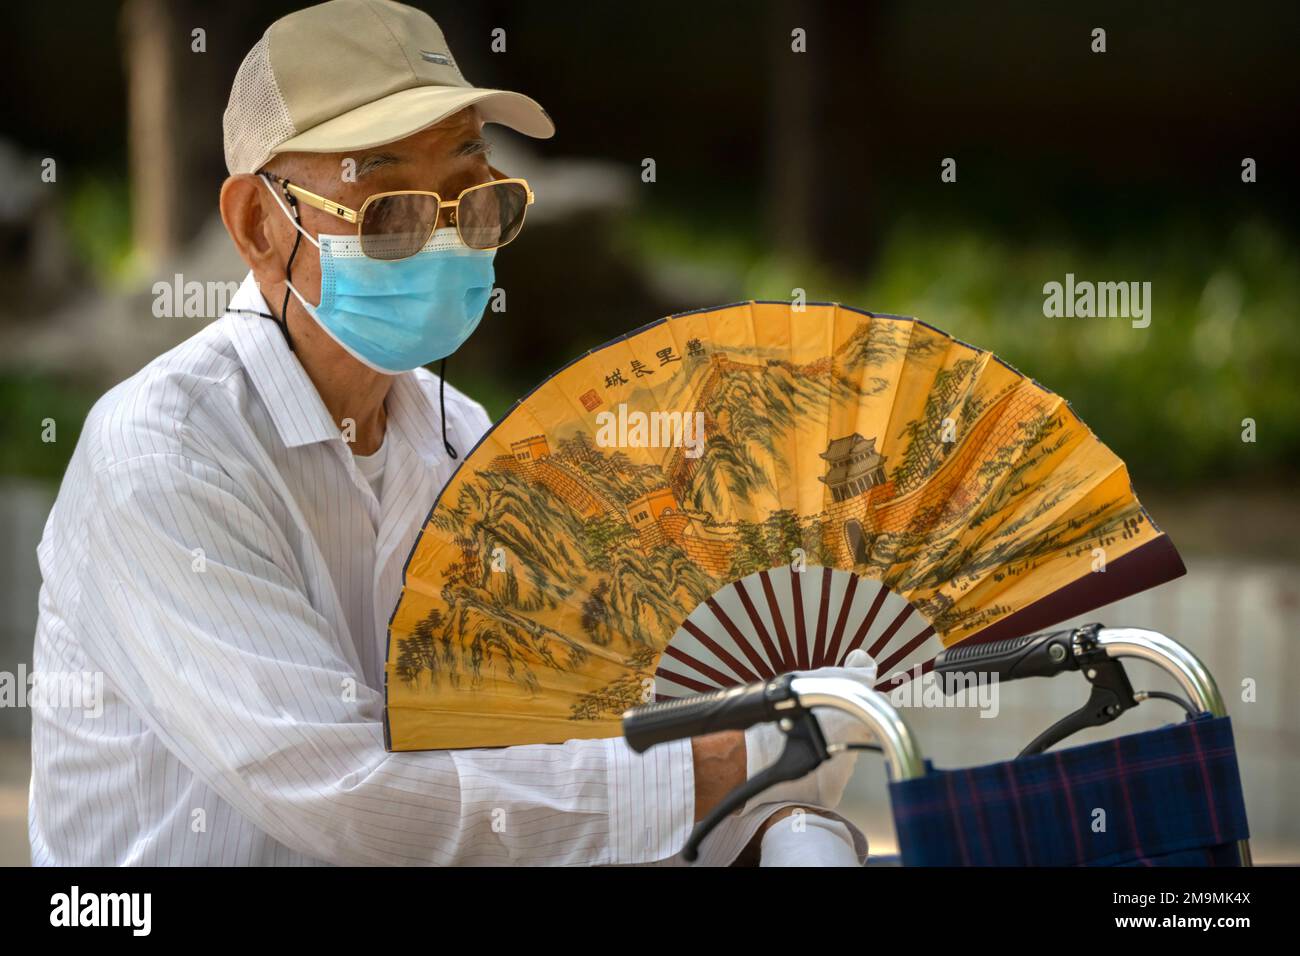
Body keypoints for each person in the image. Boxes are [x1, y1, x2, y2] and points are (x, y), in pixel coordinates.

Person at [29, 0, 872, 866]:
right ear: (257, 226)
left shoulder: (458, 437)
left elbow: (564, 723)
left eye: (473, 201)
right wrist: (721, 770)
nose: (440, 239)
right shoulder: (165, 460)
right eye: (388, 208)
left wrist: (777, 808)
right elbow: (349, 794)